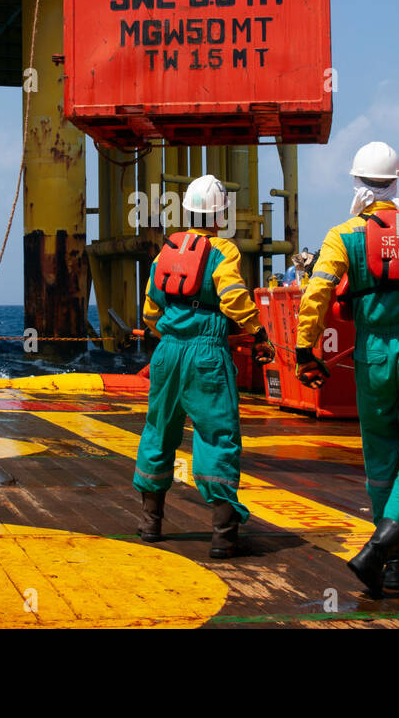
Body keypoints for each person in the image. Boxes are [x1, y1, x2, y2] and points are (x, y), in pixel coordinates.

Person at [294, 142, 399, 595]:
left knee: (381, 459)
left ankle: (391, 562)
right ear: (397, 180)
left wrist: (306, 350)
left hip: (374, 358)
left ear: (357, 182)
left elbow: (316, 295)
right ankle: (383, 548)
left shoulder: (343, 235)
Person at [133, 174, 275, 558]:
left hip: (167, 352)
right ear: (219, 214)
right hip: (207, 353)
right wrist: (257, 330)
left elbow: (150, 309)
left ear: (188, 210)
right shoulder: (222, 251)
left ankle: (150, 525)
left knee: (158, 431)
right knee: (217, 435)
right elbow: (231, 295)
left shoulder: (166, 252)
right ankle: (223, 536)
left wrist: (168, 332)